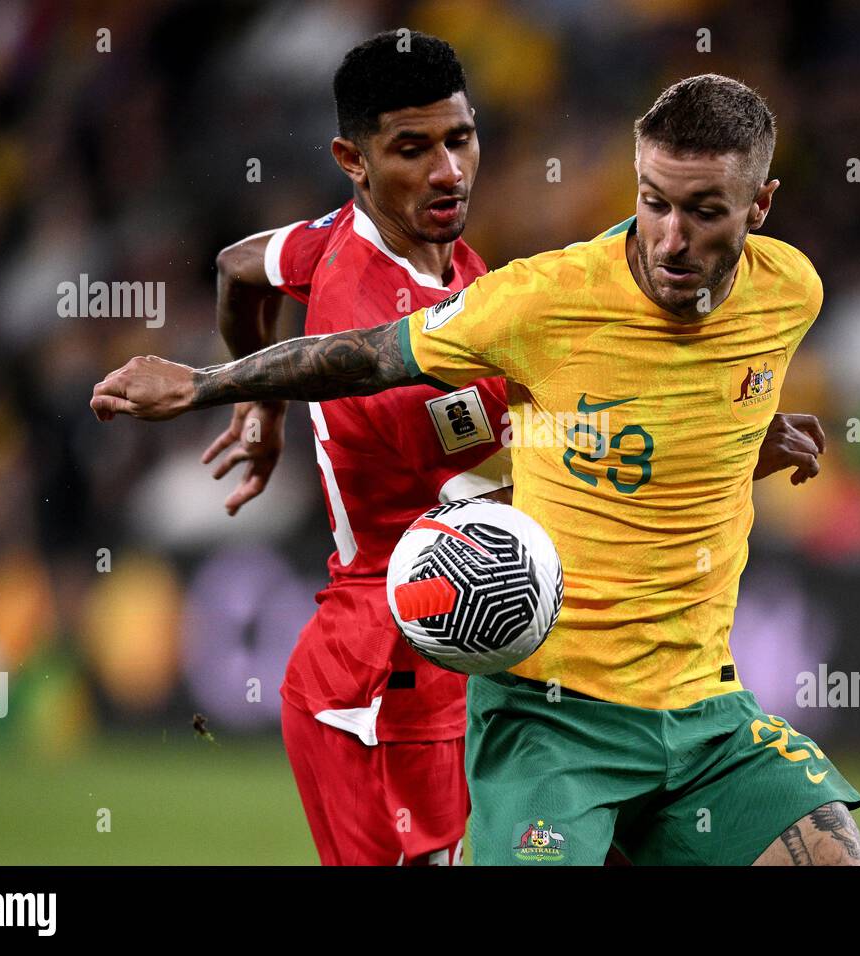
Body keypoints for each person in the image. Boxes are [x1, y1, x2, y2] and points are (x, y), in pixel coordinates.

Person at [91, 73, 860, 865]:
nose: (671, 238)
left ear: (758, 207)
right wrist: (206, 384)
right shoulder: (542, 300)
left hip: (708, 714)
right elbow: (369, 356)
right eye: (653, 202)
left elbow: (677, 402)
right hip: (553, 722)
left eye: (704, 211)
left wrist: (742, 441)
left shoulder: (789, 293)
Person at [203, 31, 512, 866]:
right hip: (386, 681)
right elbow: (516, 498)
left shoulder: (358, 234)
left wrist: (263, 399)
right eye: (413, 150)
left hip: (434, 656)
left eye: (460, 139)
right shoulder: (373, 331)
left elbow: (238, 268)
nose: (448, 172)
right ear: (353, 159)